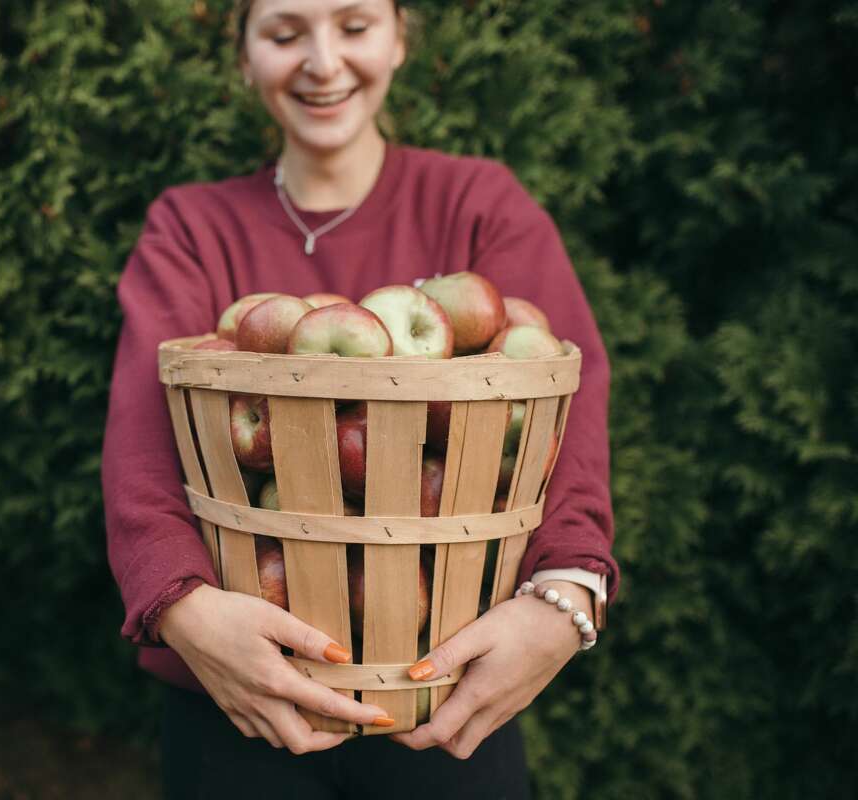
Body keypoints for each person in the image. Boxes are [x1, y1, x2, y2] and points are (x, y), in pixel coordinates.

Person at [101, 1, 619, 797]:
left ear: (400, 38)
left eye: (354, 25)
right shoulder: (193, 227)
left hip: (448, 693)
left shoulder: (479, 206)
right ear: (243, 56)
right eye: (283, 33)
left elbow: (567, 410)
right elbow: (142, 435)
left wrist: (566, 597)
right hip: (236, 699)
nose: (322, 61)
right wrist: (181, 607)